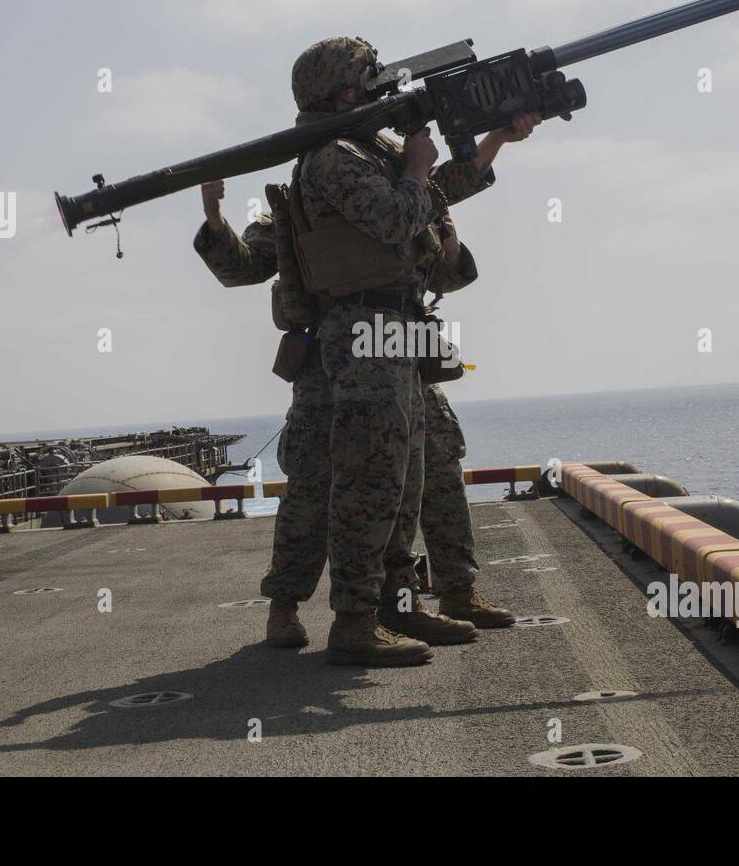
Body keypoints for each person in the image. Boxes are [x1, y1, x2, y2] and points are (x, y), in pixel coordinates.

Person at [215, 35, 533, 666]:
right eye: (368, 74)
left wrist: (495, 139)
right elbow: (395, 216)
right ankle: (355, 621)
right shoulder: (333, 157)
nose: (383, 81)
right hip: (364, 333)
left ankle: (402, 605)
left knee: (411, 473)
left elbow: (432, 197)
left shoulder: (366, 149)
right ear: (341, 90)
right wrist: (417, 166)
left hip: (397, 328)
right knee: (369, 478)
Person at [194, 188, 524, 648]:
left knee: (437, 462)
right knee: (313, 480)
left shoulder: (397, 201)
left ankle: (448, 593)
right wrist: (214, 217)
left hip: (400, 352)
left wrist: (449, 247)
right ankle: (284, 607)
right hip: (329, 365)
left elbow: (442, 277)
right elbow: (242, 266)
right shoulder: (299, 209)